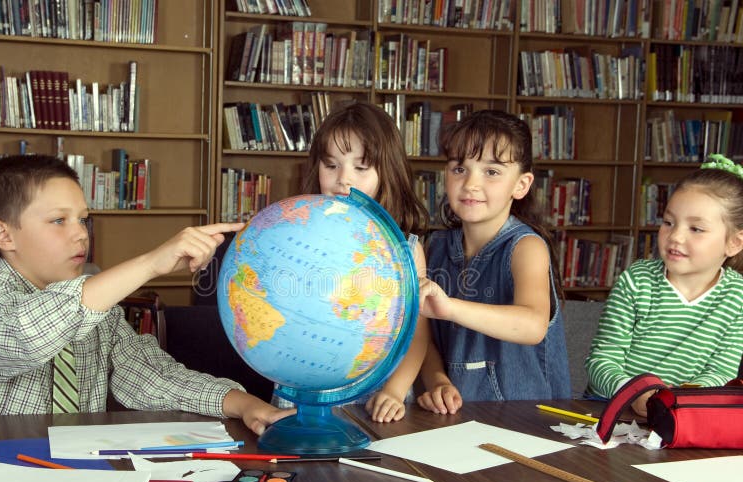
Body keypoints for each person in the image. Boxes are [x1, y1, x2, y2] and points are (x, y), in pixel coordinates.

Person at [0, 154, 294, 435]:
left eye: (84, 219)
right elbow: (29, 334)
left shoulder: (101, 311)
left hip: (73, 479)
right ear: (5, 236)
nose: (81, 234)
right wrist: (151, 263)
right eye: (58, 221)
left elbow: (151, 377)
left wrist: (245, 404)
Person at [415, 109, 570, 414]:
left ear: (521, 185)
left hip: (528, 419)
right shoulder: (435, 247)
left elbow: (532, 325)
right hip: (453, 419)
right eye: (459, 168)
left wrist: (450, 308)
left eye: (492, 171)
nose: (471, 184)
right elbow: (425, 336)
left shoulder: (525, 247)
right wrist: (437, 382)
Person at [300, 101, 430, 422]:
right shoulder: (296, 236)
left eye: (361, 168)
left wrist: (395, 391)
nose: (344, 180)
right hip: (308, 393)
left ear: (387, 173)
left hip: (381, 402)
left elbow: (417, 333)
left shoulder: (408, 250)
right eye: (331, 165)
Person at [586, 154, 743, 417]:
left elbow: (720, 372)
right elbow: (601, 362)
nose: (675, 236)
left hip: (681, 412)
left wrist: (676, 399)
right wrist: (637, 394)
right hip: (610, 407)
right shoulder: (637, 282)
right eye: (668, 222)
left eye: (696, 229)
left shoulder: (738, 296)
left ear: (734, 243)